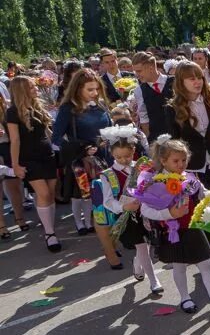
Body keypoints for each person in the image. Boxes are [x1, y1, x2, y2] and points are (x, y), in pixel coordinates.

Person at [138, 136, 210, 315]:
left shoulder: (190, 178)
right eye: (176, 161)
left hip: (193, 228)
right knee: (179, 266)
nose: (181, 164)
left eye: (184, 160)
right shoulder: (155, 181)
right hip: (173, 231)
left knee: (206, 264)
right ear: (163, 161)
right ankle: (185, 298)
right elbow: (146, 209)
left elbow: (204, 195)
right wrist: (168, 214)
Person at [165, 61, 210, 280]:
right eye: (191, 78)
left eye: (199, 77)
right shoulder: (172, 109)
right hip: (193, 167)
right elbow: (173, 142)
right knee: (206, 213)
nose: (197, 82)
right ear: (181, 82)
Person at [92, 126, 161, 289]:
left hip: (146, 212)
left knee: (148, 244)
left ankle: (138, 262)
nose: (123, 159)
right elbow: (108, 201)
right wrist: (124, 207)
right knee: (142, 246)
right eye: (118, 156)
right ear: (112, 154)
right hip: (127, 216)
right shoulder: (107, 174)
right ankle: (153, 280)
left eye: (127, 156)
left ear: (134, 151)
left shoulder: (142, 167)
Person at [53, 68, 113, 235]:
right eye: (90, 89)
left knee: (102, 193)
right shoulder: (68, 108)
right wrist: (83, 148)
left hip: (104, 157)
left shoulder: (101, 105)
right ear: (78, 88)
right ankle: (81, 222)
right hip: (81, 160)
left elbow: (109, 128)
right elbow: (56, 138)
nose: (95, 93)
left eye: (97, 89)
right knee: (81, 194)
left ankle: (99, 221)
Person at [6, 76, 59, 251]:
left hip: (47, 155)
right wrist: (15, 165)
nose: (36, 89)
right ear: (22, 90)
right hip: (29, 159)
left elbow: (47, 132)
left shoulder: (37, 106)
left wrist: (58, 146)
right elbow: (14, 140)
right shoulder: (12, 112)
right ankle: (49, 232)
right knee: (43, 193)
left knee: (50, 193)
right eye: (31, 87)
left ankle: (50, 226)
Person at [0, 89, 27, 238]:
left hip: (7, 147)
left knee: (14, 186)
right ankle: (2, 226)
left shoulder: (7, 106)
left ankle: (19, 218)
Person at [132, 51, 175, 142]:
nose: (136, 75)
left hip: (179, 135)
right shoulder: (139, 91)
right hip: (157, 138)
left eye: (139, 71)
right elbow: (144, 119)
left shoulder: (174, 81)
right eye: (135, 71)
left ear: (151, 67)